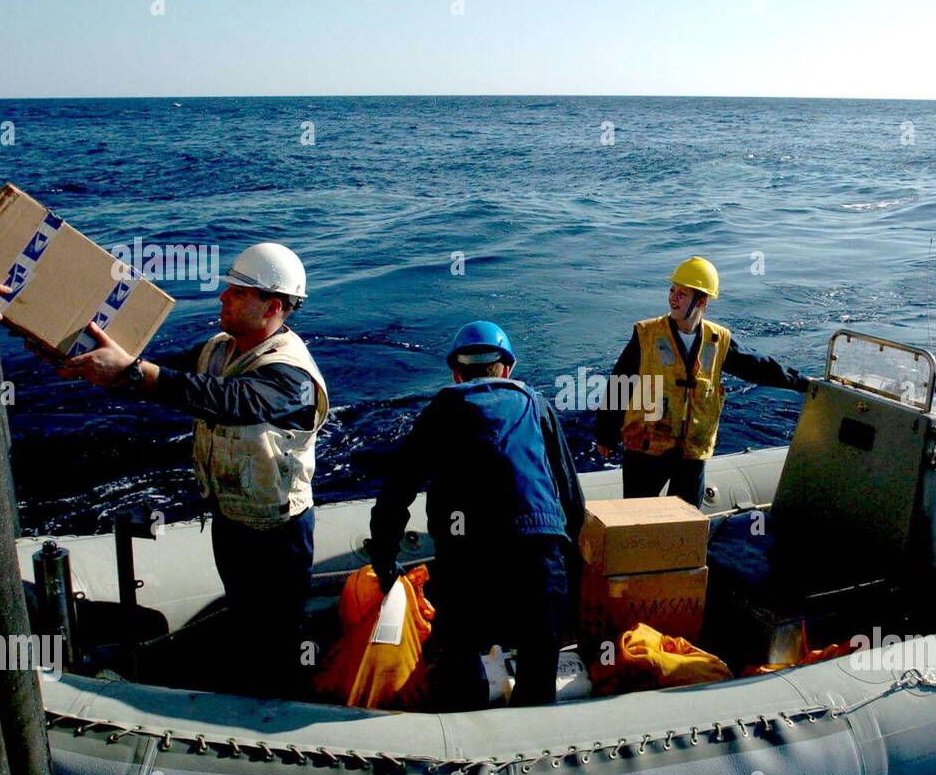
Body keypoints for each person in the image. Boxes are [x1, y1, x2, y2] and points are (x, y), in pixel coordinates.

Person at [58, 243, 328, 697]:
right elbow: (174, 380)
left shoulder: (292, 377)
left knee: (278, 631)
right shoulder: (220, 349)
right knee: (245, 614)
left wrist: (134, 374)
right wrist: (104, 364)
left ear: (273, 307)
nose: (223, 297)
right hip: (230, 519)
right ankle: (244, 677)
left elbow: (232, 401)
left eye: (238, 292)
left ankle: (279, 699)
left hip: (276, 533)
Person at [367, 320, 584, 711]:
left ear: (455, 372)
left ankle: (465, 732)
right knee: (539, 666)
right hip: (540, 553)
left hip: (468, 557)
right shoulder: (537, 404)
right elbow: (571, 499)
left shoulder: (442, 408)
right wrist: (571, 567)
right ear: (508, 368)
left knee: (457, 659)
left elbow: (396, 491)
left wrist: (384, 560)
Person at [595, 257, 810, 507]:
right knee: (636, 517)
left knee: (687, 522)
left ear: (702, 301)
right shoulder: (646, 335)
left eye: (682, 294)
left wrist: (801, 382)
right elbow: (619, 384)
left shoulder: (718, 340)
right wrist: (605, 435)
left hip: (692, 452)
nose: (673, 298)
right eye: (672, 291)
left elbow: (758, 367)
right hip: (647, 448)